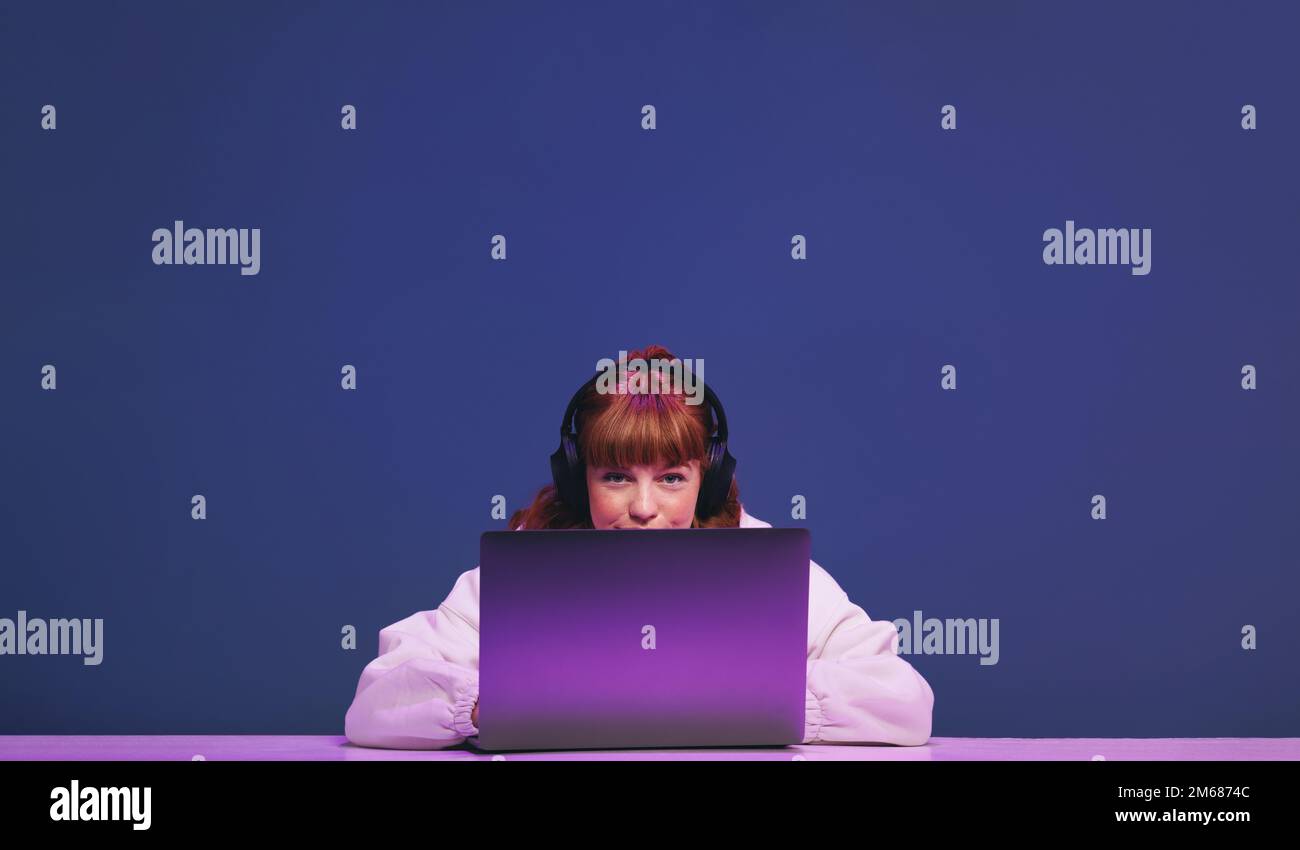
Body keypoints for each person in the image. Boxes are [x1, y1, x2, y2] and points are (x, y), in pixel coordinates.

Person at [344, 345, 934, 749]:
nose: (645, 507)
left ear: (709, 479)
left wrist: (760, 701)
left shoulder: (766, 565)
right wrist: (490, 704)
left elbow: (905, 700)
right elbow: (374, 703)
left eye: (672, 477)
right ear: (581, 481)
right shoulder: (524, 568)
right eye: (617, 476)